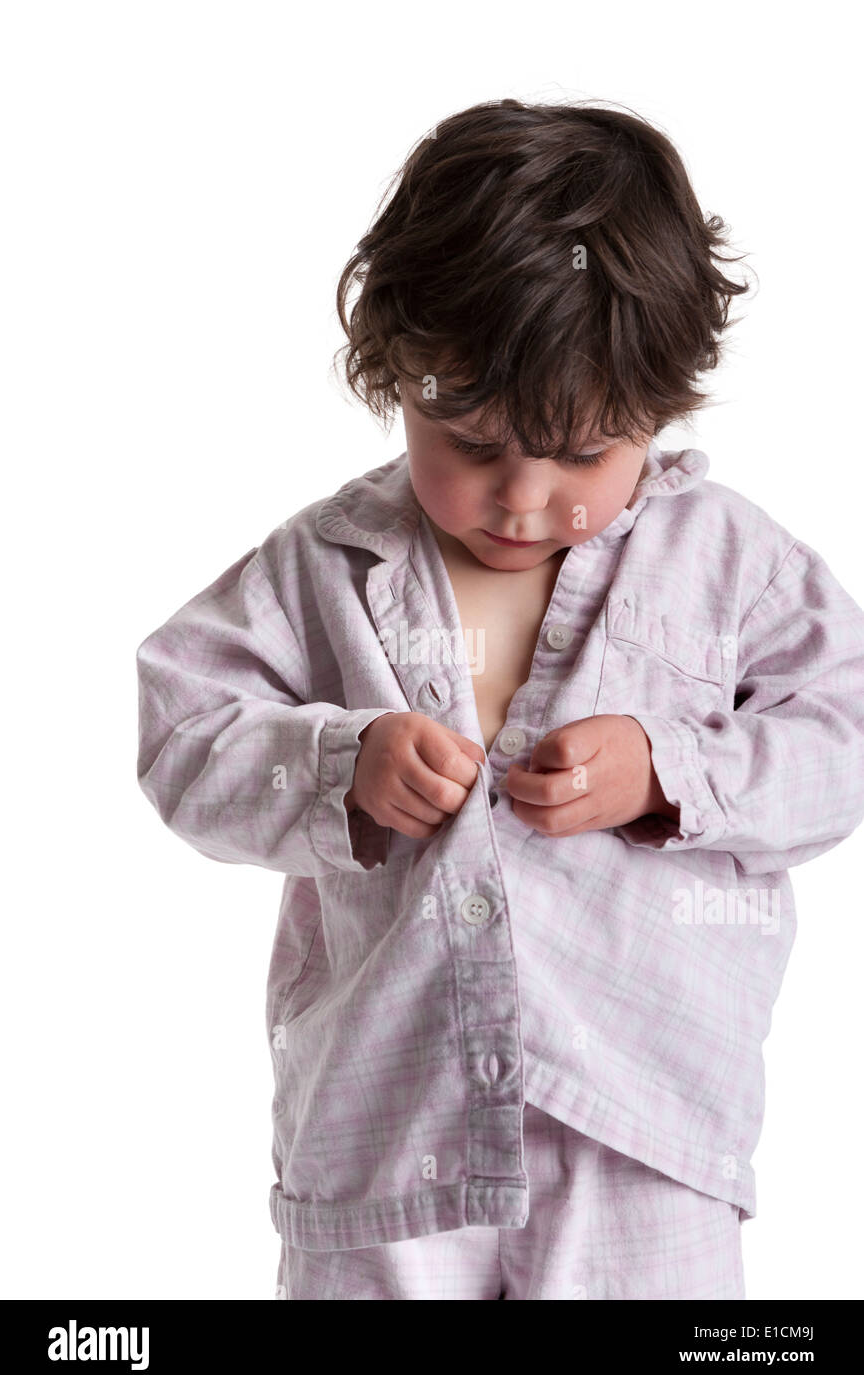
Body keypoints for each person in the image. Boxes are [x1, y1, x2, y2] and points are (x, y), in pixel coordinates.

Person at [136, 98, 864, 1299]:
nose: (521, 498)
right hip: (381, 1140)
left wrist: (670, 768)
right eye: (466, 439)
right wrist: (340, 764)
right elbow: (180, 726)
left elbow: (841, 737)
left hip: (642, 1132)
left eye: (580, 452)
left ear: (657, 402)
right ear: (395, 380)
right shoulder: (324, 564)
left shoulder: (733, 565)